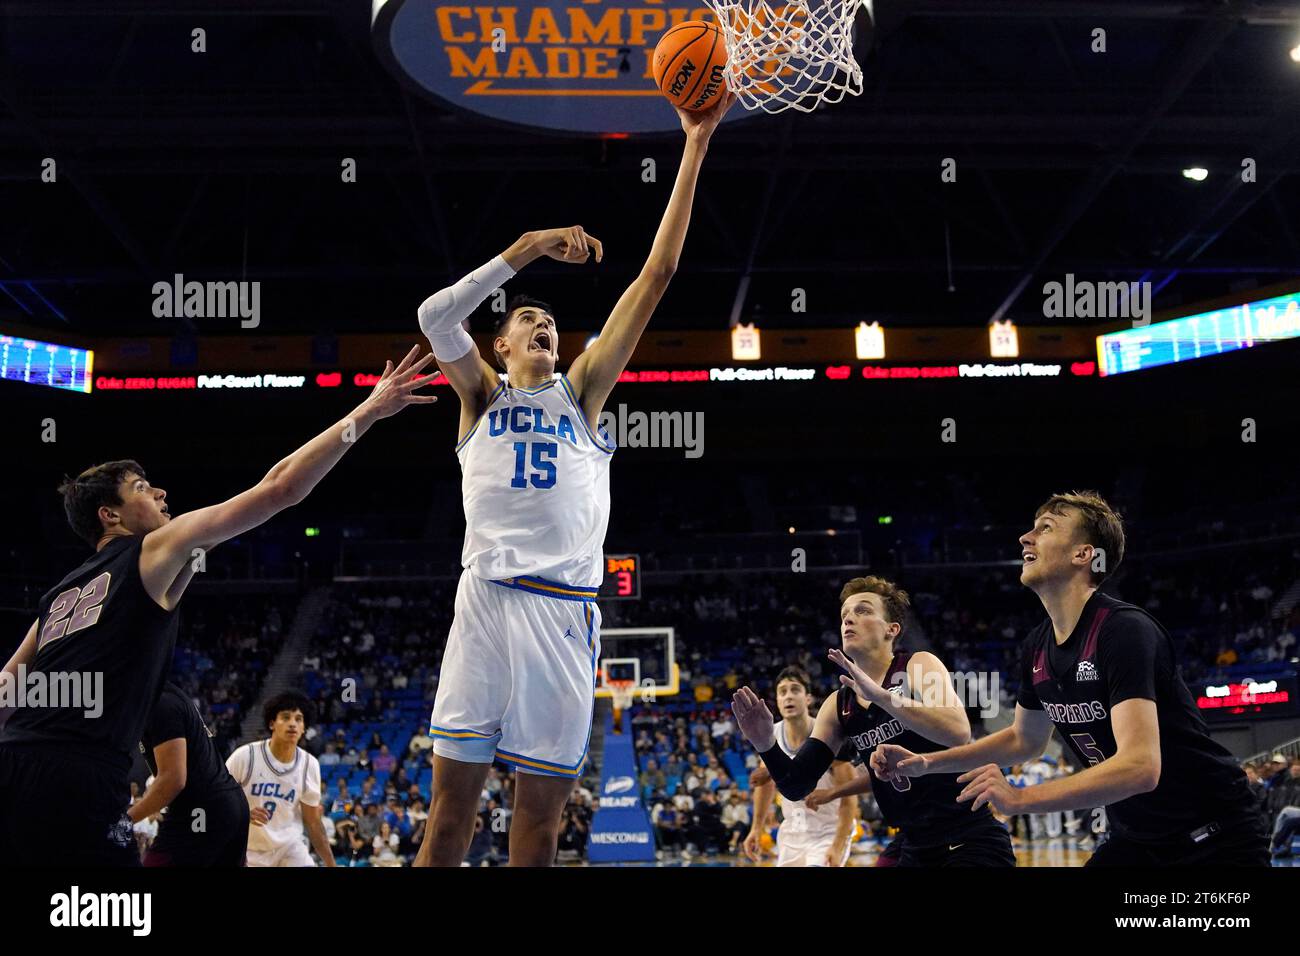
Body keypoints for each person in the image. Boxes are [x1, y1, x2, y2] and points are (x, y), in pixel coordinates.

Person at [414, 90, 735, 867]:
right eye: (528, 321)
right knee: (449, 815)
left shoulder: (583, 388)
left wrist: (693, 147)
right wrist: (525, 246)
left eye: (550, 321)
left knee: (538, 825)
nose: (544, 325)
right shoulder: (479, 397)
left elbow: (655, 277)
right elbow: (433, 319)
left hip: (563, 612)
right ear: (498, 345)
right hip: (485, 601)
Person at [0, 349, 435, 867]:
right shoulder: (150, 551)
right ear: (109, 515)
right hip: (83, 773)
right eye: (142, 487)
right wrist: (366, 412)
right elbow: (279, 489)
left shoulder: (56, 597)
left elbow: (7, 685)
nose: (161, 491)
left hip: (15, 761)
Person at [873, 491, 1269, 866]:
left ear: (1084, 554)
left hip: (1214, 838)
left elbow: (1140, 766)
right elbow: (1022, 740)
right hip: (1138, 841)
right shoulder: (1037, 646)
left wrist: (1021, 798)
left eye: (1046, 527)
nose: (1025, 536)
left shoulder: (1124, 630)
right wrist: (926, 762)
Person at [732, 576, 1015, 867]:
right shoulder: (837, 704)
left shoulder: (918, 665)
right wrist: (765, 743)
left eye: (863, 611)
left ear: (891, 630)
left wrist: (882, 697)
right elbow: (796, 785)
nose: (848, 620)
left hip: (967, 835)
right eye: (844, 615)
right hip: (913, 841)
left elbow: (957, 730)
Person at [743, 666, 857, 867]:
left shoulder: (827, 732)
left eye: (795, 690)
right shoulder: (771, 734)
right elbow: (765, 786)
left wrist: (837, 845)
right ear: (777, 701)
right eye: (782, 691)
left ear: (808, 698)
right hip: (792, 833)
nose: (788, 697)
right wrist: (756, 828)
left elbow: (849, 800)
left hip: (828, 831)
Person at [133, 681, 250, 866]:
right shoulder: (173, 696)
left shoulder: (160, 703)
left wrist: (124, 820)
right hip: (231, 806)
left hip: (201, 810)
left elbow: (173, 780)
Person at [227, 692, 336, 867]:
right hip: (248, 848)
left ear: (304, 728)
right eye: (285, 718)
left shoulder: (310, 764)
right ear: (272, 723)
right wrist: (243, 812)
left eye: (299, 719)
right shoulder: (245, 756)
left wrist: (331, 863)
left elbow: (313, 822)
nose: (293, 723)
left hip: (289, 847)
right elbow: (217, 800)